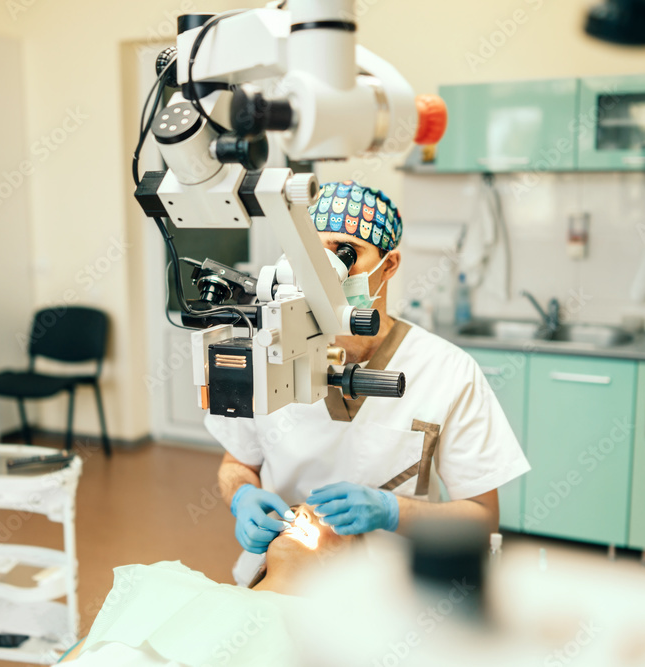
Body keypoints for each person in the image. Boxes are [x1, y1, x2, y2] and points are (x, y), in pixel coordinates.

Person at [210, 180, 530, 586]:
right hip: (286, 573)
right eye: (311, 254)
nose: (324, 273)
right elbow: (236, 463)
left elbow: (481, 520)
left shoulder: (448, 370)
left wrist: (393, 510)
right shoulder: (266, 352)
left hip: (394, 589)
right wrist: (241, 496)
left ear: (389, 266)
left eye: (346, 254)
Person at [58, 506, 358, 666]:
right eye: (296, 509)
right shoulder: (168, 578)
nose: (301, 513)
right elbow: (88, 650)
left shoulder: (320, 640)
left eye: (325, 520)